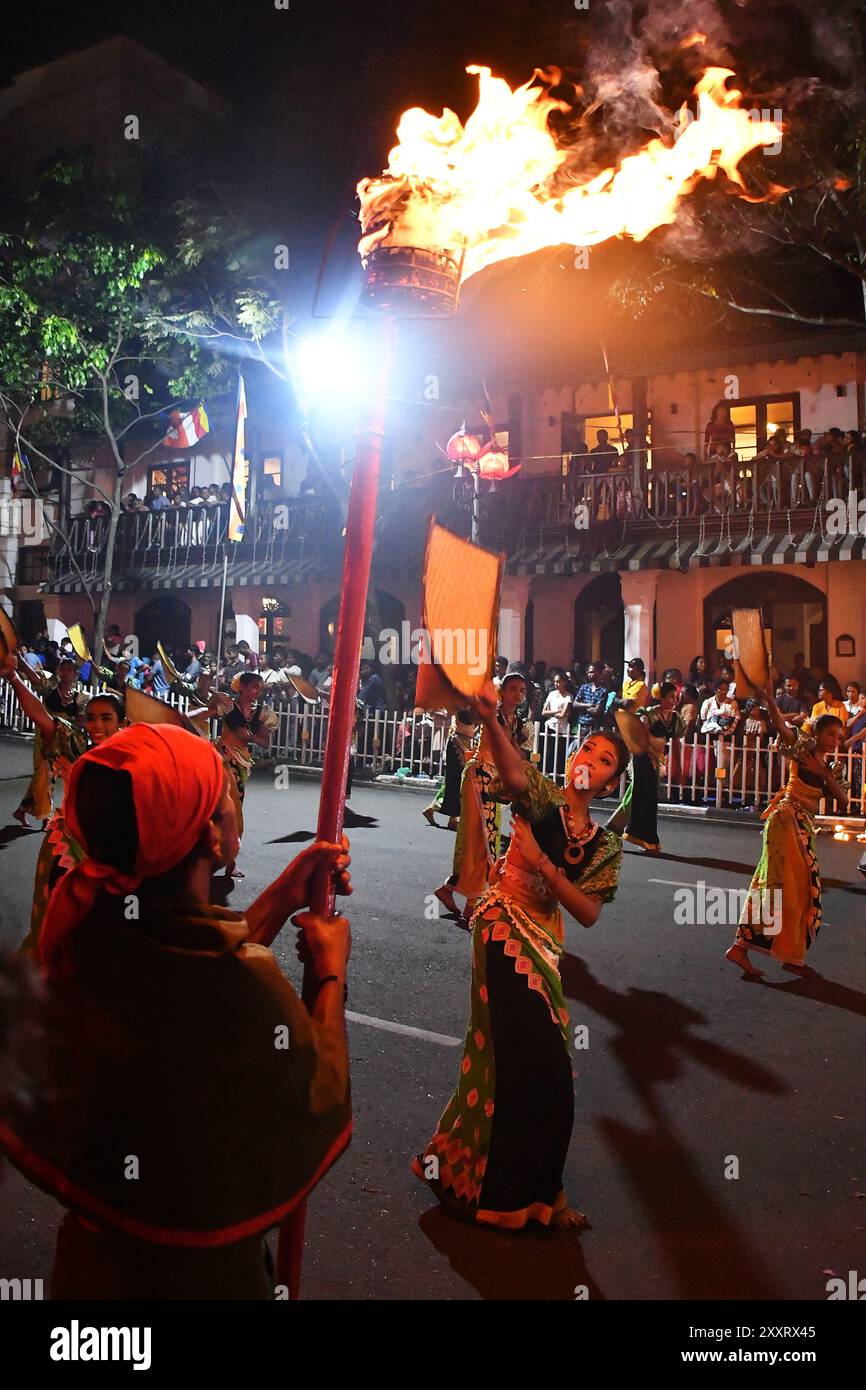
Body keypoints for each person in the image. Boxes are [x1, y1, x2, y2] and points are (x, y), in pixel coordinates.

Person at [0, 723, 353, 1299]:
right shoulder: (242, 988)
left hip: (90, 1275)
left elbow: (198, 963)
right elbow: (321, 1094)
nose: (237, 806)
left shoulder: (93, 933)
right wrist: (331, 973)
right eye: (227, 799)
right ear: (213, 836)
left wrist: (287, 895)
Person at [414, 680, 626, 1229]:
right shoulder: (542, 797)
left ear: (612, 783)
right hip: (504, 928)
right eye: (588, 750)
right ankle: (507, 1199)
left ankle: (533, 1193)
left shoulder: (605, 846)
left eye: (605, 761)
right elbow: (510, 772)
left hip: (545, 946)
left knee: (545, 1073)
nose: (591, 761)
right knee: (528, 1066)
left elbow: (589, 912)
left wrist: (550, 870)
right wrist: (490, 718)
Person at [0, 650, 125, 953]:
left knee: (104, 931)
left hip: (110, 853)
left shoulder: (131, 754)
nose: (97, 725)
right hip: (67, 845)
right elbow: (42, 718)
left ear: (121, 722)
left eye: (106, 718)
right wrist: (14, 678)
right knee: (55, 926)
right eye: (91, 717)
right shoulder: (75, 741)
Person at [726, 692, 848, 977]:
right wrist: (769, 702)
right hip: (786, 819)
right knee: (784, 888)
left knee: (793, 889)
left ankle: (770, 950)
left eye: (838, 736)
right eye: (830, 733)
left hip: (802, 824)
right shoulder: (803, 748)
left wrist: (823, 773)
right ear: (816, 732)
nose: (835, 740)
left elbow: (842, 800)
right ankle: (754, 948)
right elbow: (782, 728)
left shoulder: (831, 767)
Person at [434, 676, 532, 923]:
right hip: (479, 776)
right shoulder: (493, 716)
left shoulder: (519, 723)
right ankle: (471, 904)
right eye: (513, 689)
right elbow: (505, 749)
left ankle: (450, 889)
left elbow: (518, 755)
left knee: (484, 838)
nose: (518, 695)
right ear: (502, 691)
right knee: (482, 840)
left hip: (494, 782)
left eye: (522, 690)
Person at [608, 684, 684, 852]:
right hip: (641, 758)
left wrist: (678, 766)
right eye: (670, 696)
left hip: (656, 760)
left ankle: (616, 826)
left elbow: (676, 743)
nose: (674, 700)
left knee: (643, 793)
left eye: (675, 697)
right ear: (662, 698)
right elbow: (639, 736)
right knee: (643, 794)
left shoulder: (675, 718)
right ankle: (644, 837)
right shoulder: (648, 714)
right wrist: (654, 745)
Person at [214, 672, 274, 877]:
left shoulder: (262, 713)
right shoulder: (228, 705)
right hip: (222, 759)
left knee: (235, 811)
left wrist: (251, 737)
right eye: (254, 687)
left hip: (242, 764)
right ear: (242, 687)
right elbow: (207, 711)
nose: (258, 691)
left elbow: (266, 742)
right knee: (215, 807)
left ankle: (230, 862)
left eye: (260, 688)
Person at [12, 658, 83, 829]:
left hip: (64, 740)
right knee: (46, 774)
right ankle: (47, 817)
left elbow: (81, 721)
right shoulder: (50, 688)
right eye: (62, 670)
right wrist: (18, 659)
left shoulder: (79, 697)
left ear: (75, 674)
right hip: (45, 737)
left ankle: (22, 810)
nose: (65, 673)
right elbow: (31, 676)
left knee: (47, 776)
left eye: (69, 670)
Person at [423, 709, 478, 830]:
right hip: (457, 742)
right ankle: (450, 817)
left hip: (464, 742)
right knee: (456, 782)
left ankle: (439, 812)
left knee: (456, 782)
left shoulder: (472, 703)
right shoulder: (464, 704)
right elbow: (468, 719)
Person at [540, 671, 574, 776]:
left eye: (558, 682)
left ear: (564, 682)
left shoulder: (569, 696)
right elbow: (544, 712)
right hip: (550, 727)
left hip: (562, 730)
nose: (556, 684)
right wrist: (557, 712)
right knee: (549, 753)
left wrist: (556, 713)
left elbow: (563, 714)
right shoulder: (551, 694)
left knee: (560, 754)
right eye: (555, 682)